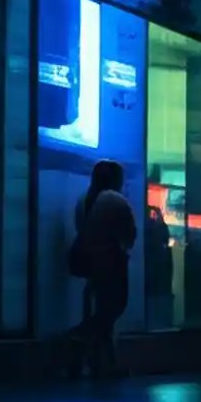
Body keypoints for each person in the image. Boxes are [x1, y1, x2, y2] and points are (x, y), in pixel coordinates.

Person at [73, 160, 136, 378]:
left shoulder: (84, 200)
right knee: (113, 308)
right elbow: (129, 232)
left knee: (100, 307)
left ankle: (102, 360)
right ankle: (80, 337)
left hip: (90, 262)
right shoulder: (116, 200)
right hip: (112, 260)